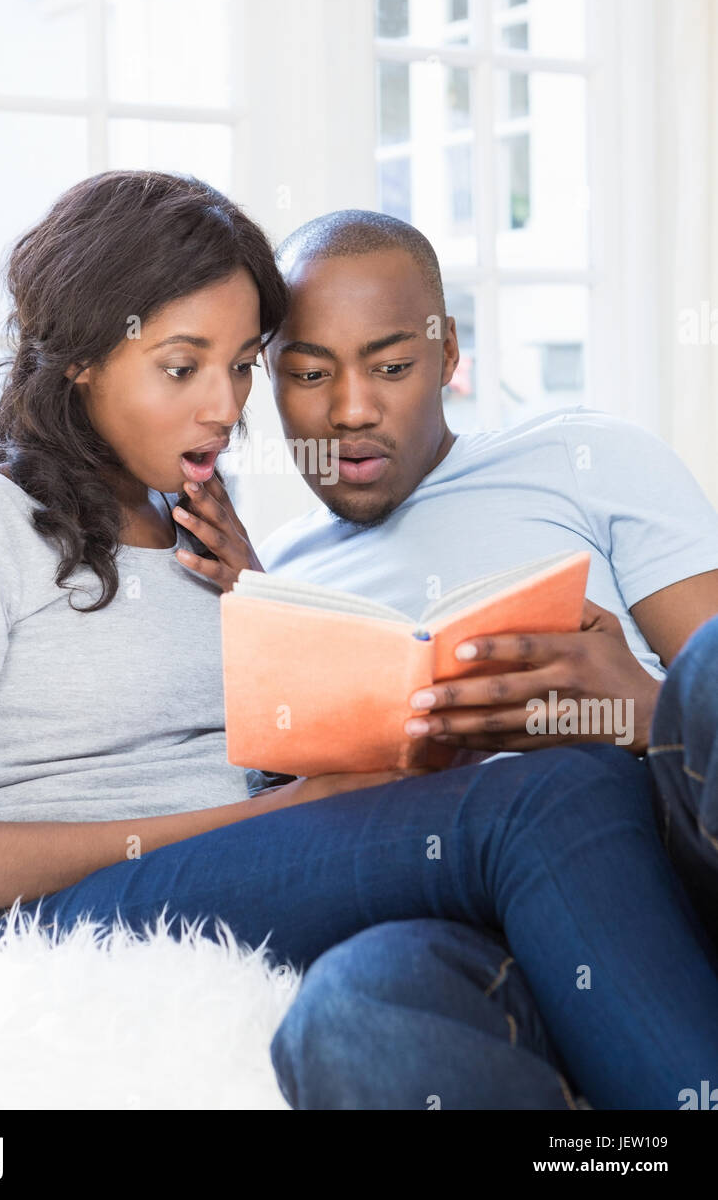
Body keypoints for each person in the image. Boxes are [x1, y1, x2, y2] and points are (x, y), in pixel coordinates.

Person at [0, 173, 718, 1114]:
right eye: (183, 366)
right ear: (81, 357)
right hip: (77, 909)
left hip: (252, 872)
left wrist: (275, 614)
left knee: (567, 787)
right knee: (545, 798)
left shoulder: (204, 534)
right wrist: (281, 814)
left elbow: (266, 759)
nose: (225, 409)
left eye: (239, 367)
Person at [244, 208, 718, 1108]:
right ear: (270, 379)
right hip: (476, 927)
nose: (350, 410)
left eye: (391, 367)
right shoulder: (280, 578)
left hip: (672, 855)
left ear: (448, 354)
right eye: (309, 375)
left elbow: (711, 689)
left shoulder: (584, 458)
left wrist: (637, 706)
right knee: (348, 1010)